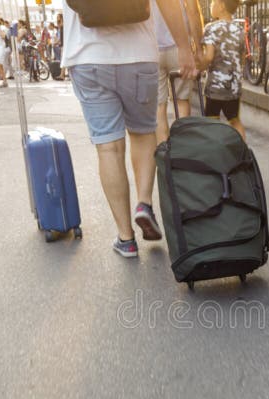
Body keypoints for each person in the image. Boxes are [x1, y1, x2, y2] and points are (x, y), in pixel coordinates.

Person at [62, 1, 198, 258]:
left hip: (87, 56)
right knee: (143, 133)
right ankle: (144, 204)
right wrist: (183, 46)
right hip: (139, 55)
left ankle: (126, 239)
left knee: (108, 147)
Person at [153, 0, 204, 144]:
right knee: (181, 101)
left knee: (159, 106)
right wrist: (199, 49)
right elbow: (193, 12)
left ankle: (165, 156)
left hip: (153, 49)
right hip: (179, 48)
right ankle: (183, 149)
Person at [200, 0, 246, 140]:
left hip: (215, 87)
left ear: (221, 6)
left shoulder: (211, 28)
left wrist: (199, 68)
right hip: (233, 87)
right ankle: (243, 153)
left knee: (212, 122)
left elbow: (208, 56)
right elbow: (242, 58)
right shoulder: (239, 29)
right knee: (234, 120)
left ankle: (215, 155)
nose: (211, 5)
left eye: (213, 2)